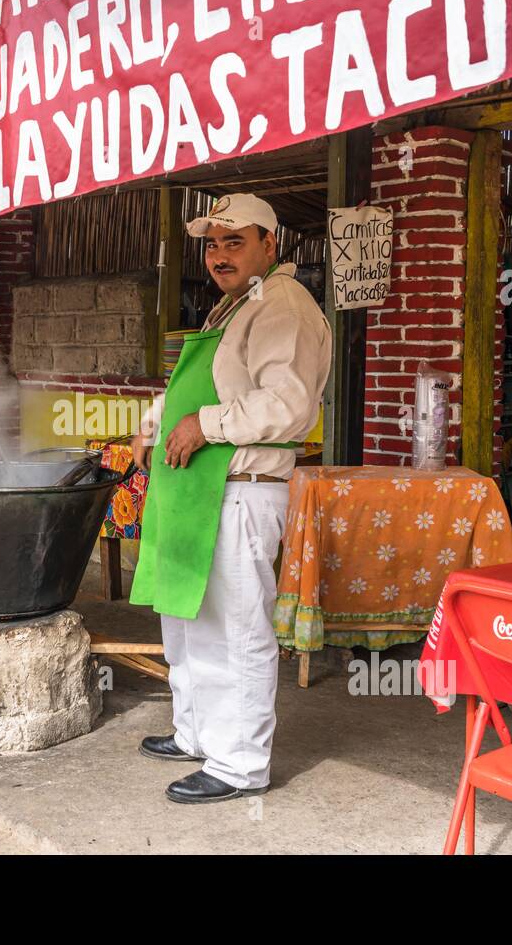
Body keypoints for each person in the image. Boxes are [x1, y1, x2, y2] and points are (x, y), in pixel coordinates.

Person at [129, 193, 332, 804]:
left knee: (236, 630)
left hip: (241, 492)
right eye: (212, 244)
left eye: (233, 241)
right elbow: (191, 388)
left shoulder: (283, 306)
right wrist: (153, 423)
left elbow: (287, 404)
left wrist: (205, 426)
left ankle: (239, 764)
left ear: (270, 245)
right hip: (197, 492)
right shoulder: (233, 306)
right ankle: (196, 733)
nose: (218, 254)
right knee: (187, 621)